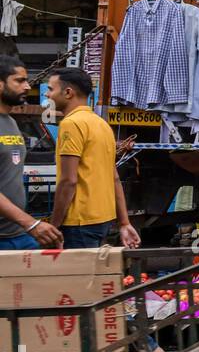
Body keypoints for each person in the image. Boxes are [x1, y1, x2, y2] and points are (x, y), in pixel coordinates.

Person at [47, 67, 140, 250]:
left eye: (51, 89)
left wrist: (53, 226)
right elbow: (113, 177)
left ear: (68, 93)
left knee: (74, 278)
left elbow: (68, 181)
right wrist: (124, 222)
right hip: (101, 221)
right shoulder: (101, 124)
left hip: (77, 223)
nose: (48, 95)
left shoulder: (71, 124)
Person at [0, 56, 62, 250]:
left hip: (17, 233)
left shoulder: (10, 122)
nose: (27, 87)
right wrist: (31, 223)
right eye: (19, 81)